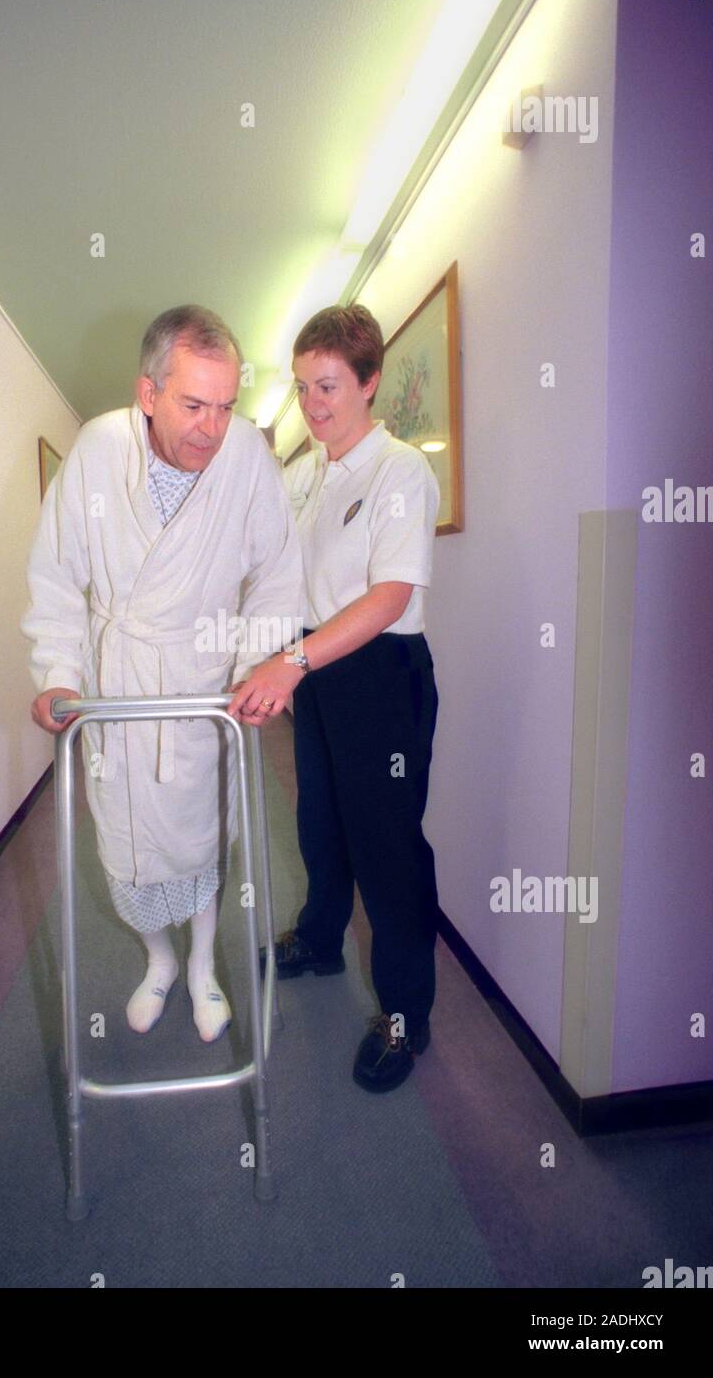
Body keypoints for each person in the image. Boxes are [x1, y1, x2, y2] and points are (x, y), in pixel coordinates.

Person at [21, 306, 303, 1043]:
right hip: (117, 684)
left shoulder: (247, 459)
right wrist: (57, 671)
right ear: (148, 394)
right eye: (193, 405)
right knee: (128, 848)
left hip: (204, 683)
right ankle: (159, 961)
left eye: (226, 406)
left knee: (201, 837)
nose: (213, 428)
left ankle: (204, 964)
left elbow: (277, 575)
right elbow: (57, 575)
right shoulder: (94, 452)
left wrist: (266, 663)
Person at [227, 303, 441, 1092]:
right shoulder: (307, 474)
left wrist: (288, 663)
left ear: (369, 381)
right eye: (303, 387)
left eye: (328, 387)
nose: (313, 405)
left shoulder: (400, 471)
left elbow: (389, 597)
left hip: (382, 676)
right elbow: (267, 564)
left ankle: (404, 1019)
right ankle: (321, 941)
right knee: (320, 825)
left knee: (388, 853)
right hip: (317, 671)